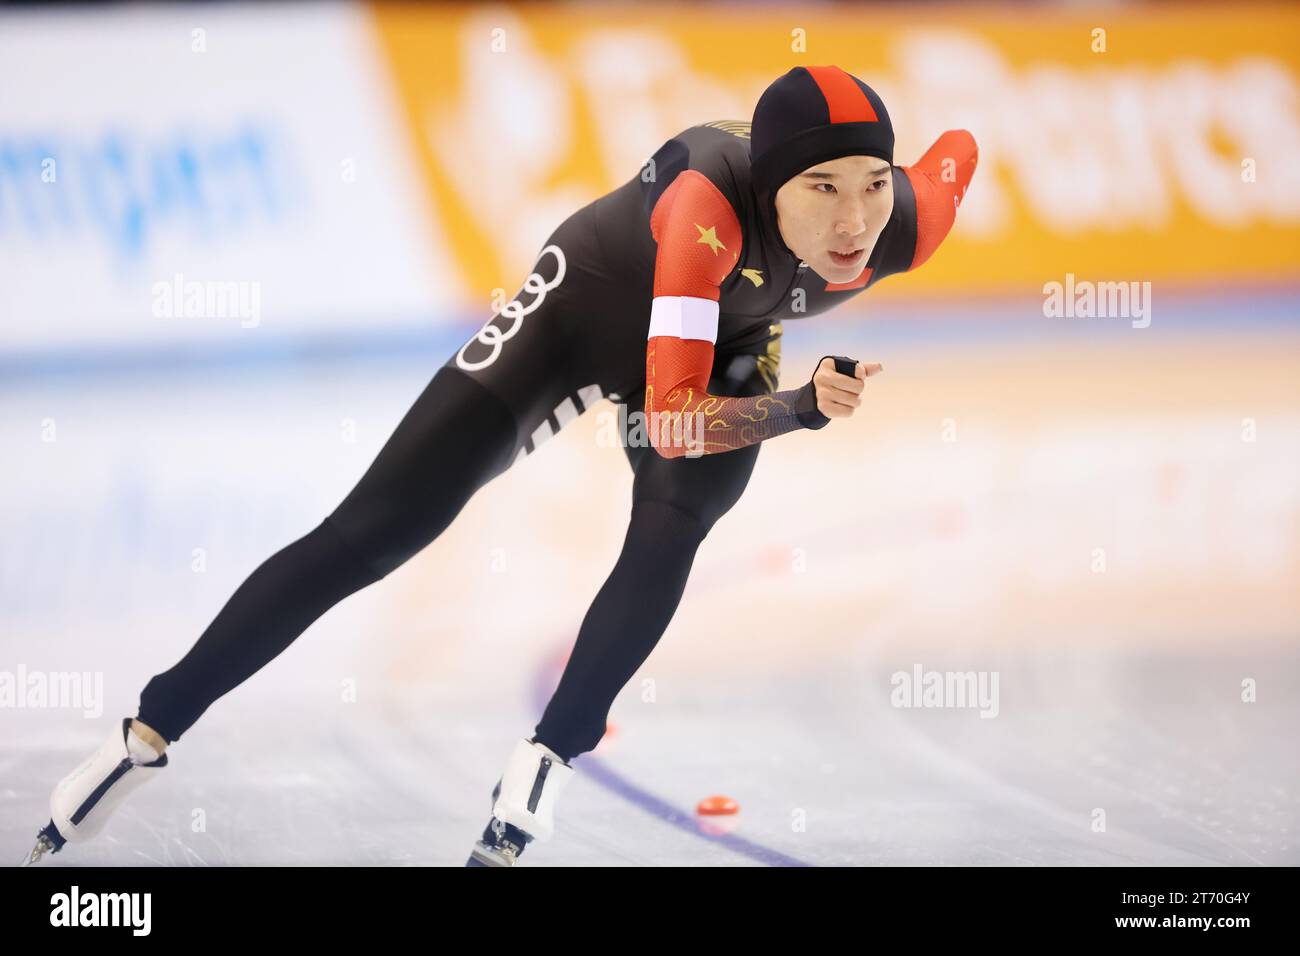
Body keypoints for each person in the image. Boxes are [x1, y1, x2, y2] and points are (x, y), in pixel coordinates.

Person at [26, 65, 977, 867]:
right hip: (578, 320)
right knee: (372, 533)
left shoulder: (906, 223)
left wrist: (911, 181)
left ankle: (543, 767)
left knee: (674, 527)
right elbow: (678, 422)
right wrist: (799, 407)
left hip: (723, 340)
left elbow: (957, 153)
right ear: (771, 185)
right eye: (823, 189)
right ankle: (144, 735)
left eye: (873, 184)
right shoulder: (706, 215)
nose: (855, 221)